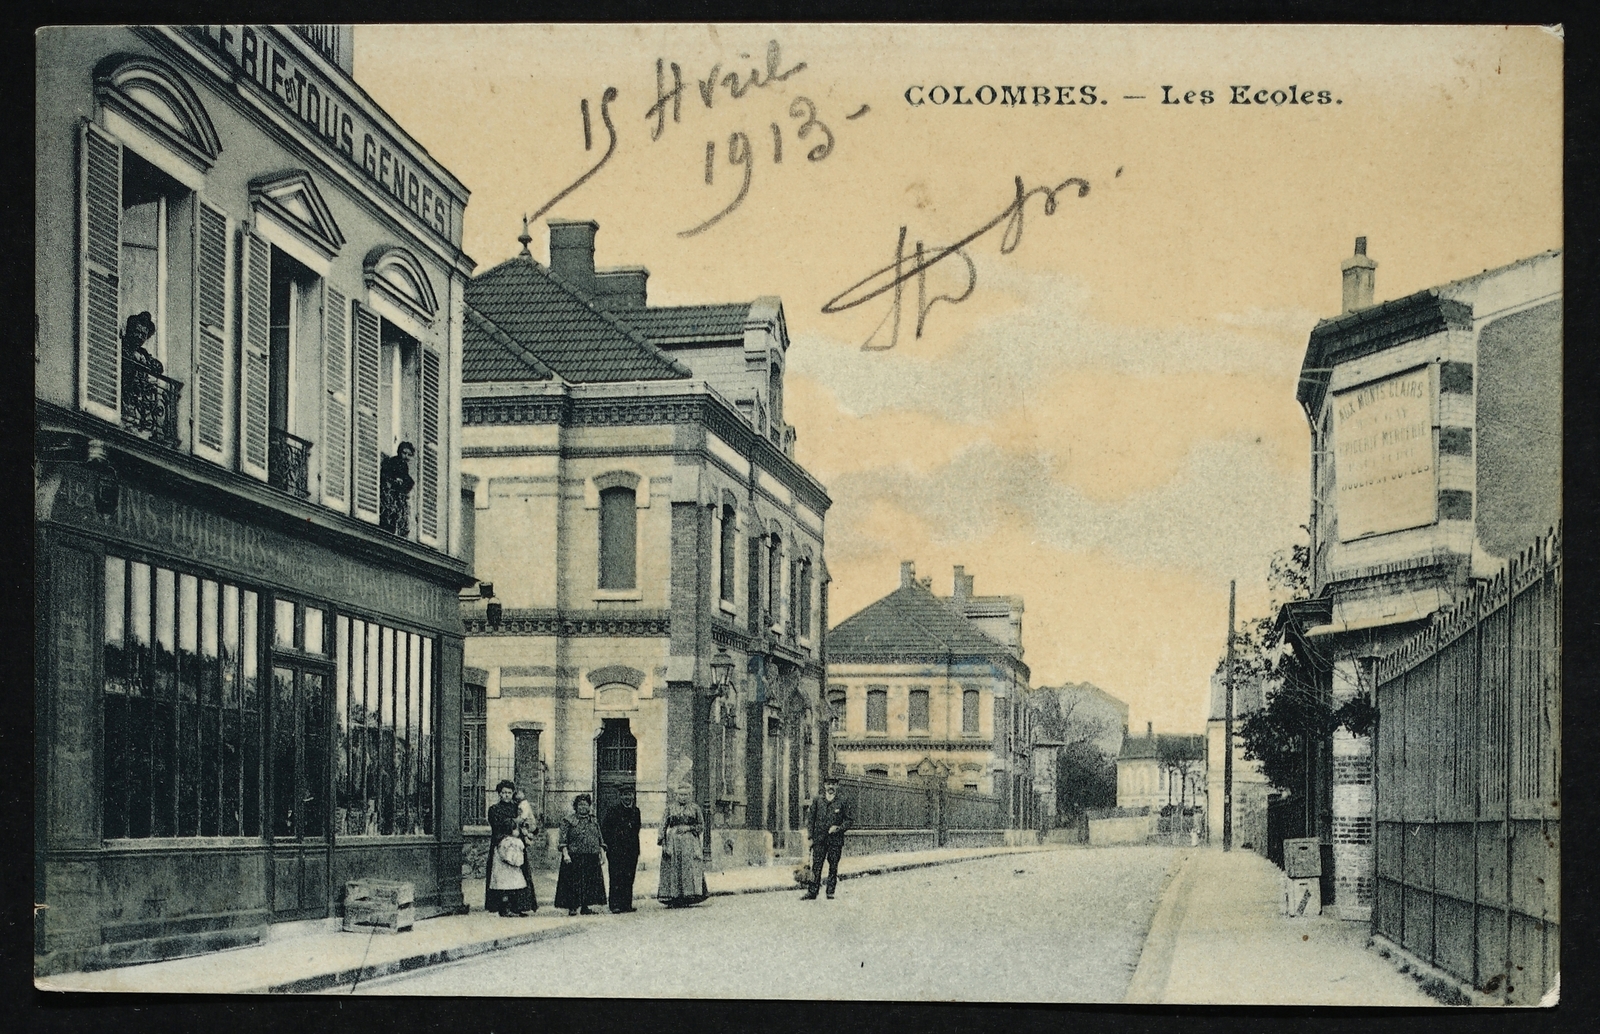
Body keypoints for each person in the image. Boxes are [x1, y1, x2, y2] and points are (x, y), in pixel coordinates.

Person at [485, 780, 533, 917]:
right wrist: (515, 822)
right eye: (504, 793)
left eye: (509, 793)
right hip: (502, 846)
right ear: (499, 794)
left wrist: (525, 828)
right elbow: (498, 825)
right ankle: (504, 907)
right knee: (503, 879)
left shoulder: (516, 808)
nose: (506, 795)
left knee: (518, 877)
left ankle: (517, 906)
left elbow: (526, 822)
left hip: (516, 847)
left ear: (513, 794)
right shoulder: (494, 809)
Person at [555, 793, 607, 916]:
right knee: (574, 883)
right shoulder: (568, 820)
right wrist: (565, 854)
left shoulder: (593, 820)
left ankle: (585, 907)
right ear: (576, 806)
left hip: (591, 856)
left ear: (589, 806)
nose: (583, 807)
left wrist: (602, 853)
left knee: (589, 883)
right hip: (574, 856)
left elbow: (599, 838)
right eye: (580, 805)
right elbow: (563, 840)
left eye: (586, 805)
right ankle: (573, 907)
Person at [802, 775, 853, 900]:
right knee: (816, 866)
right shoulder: (817, 800)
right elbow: (811, 820)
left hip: (835, 841)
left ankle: (830, 891)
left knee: (833, 866)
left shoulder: (843, 801)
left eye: (833, 784)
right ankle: (812, 892)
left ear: (837, 786)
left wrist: (839, 828)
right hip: (819, 840)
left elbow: (849, 820)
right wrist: (810, 837)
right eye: (828, 784)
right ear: (824, 785)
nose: (830, 786)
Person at [656, 787, 708, 907]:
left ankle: (688, 896)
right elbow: (663, 825)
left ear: (689, 795)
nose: (683, 797)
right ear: (676, 795)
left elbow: (701, 825)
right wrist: (663, 842)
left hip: (689, 842)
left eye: (685, 795)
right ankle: (673, 896)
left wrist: (688, 828)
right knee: (673, 867)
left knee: (688, 867)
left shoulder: (695, 808)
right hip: (673, 842)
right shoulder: (670, 808)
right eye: (680, 794)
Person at [601, 786, 642, 913]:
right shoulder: (613, 811)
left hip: (631, 850)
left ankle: (626, 904)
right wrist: (610, 846)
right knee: (616, 877)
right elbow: (605, 829)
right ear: (620, 796)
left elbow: (636, 829)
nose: (628, 797)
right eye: (625, 795)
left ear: (633, 796)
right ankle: (615, 905)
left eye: (630, 794)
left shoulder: (636, 811)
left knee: (629, 877)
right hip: (616, 851)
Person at [379, 442, 416, 535]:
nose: (406, 456)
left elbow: (407, 480)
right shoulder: (393, 461)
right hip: (391, 492)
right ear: (399, 452)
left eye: (409, 454)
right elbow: (386, 474)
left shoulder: (404, 466)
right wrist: (395, 480)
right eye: (404, 453)